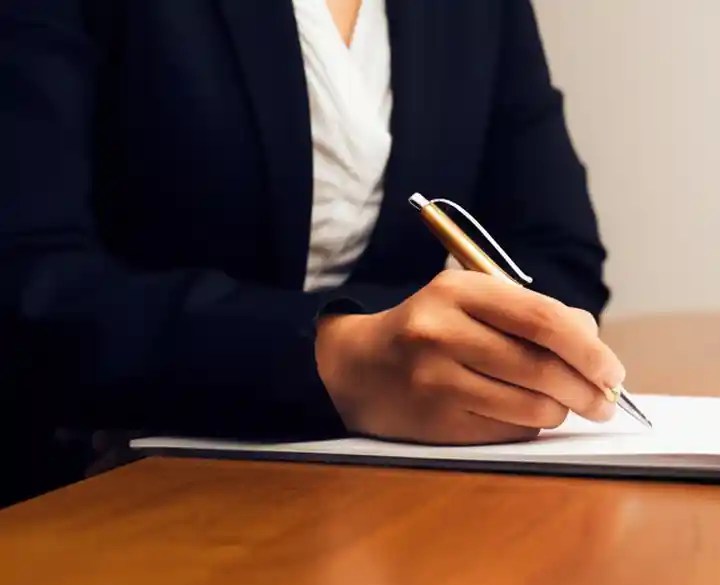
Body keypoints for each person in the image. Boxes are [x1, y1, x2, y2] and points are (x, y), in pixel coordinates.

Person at [0, 0, 625, 504]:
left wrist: (433, 351)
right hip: (90, 504)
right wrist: (337, 357)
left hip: (377, 510)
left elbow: (560, 264)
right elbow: (29, 287)